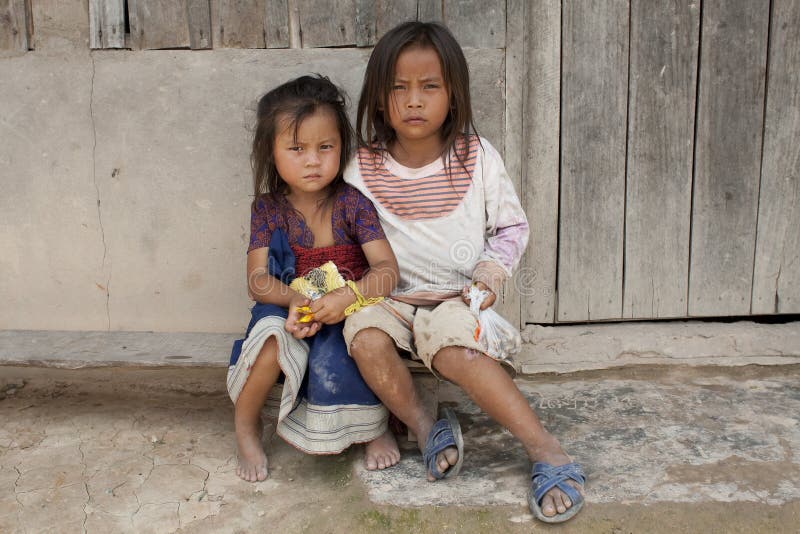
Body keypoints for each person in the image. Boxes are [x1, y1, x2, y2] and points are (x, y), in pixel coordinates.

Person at [342, 22, 585, 523]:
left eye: (429, 87)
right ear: (378, 97)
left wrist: (490, 274)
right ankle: (426, 424)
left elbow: (512, 226)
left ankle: (545, 450)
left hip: (457, 297)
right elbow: (339, 239)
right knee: (363, 338)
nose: (414, 101)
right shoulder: (361, 167)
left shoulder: (476, 156)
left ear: (453, 95)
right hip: (391, 298)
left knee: (453, 345)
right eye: (398, 88)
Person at [228, 75, 401, 483]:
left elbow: (387, 271)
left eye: (325, 147)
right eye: (297, 148)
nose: (312, 160)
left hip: (345, 305)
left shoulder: (352, 205)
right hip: (286, 305)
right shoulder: (268, 209)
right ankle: (246, 424)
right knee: (271, 343)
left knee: (357, 344)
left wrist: (347, 297)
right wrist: (293, 302)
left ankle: (371, 428)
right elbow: (257, 280)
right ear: (272, 152)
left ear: (342, 148)